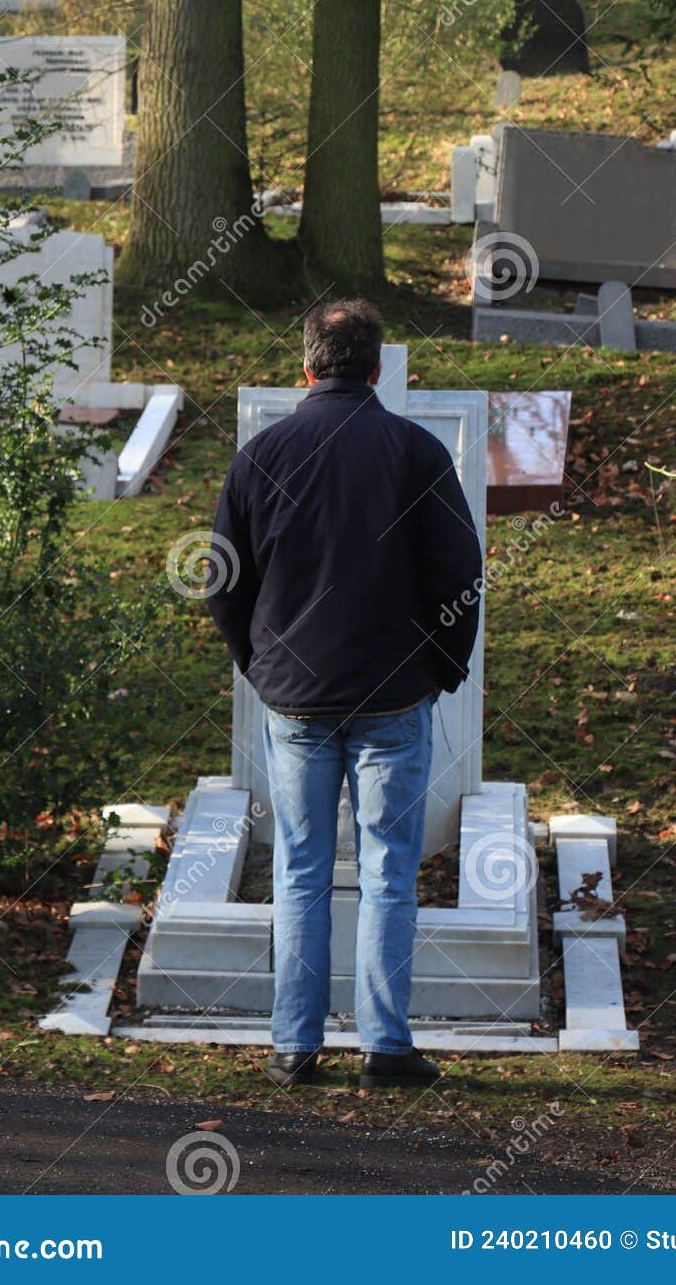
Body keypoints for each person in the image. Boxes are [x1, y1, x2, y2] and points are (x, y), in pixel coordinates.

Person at [207, 299, 482, 1090]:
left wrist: (258, 667)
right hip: (394, 693)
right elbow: (458, 572)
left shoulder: (260, 455)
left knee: (299, 868)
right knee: (388, 871)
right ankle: (384, 1045)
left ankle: (294, 1045)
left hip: (293, 697)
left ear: (305, 368)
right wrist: (441, 666)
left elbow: (224, 582)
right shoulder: (414, 451)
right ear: (376, 368)